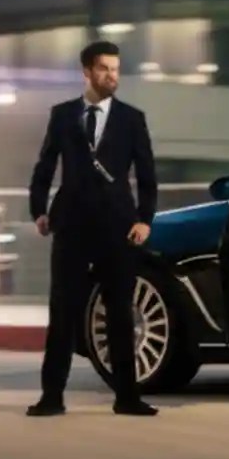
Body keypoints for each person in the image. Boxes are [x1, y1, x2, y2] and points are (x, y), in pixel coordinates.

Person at [25, 40, 159, 417]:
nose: (112, 75)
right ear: (86, 71)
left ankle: (127, 397)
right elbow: (44, 167)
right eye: (104, 68)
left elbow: (148, 176)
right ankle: (52, 396)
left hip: (118, 228)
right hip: (70, 226)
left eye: (116, 69)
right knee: (63, 312)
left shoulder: (132, 119)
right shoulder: (63, 115)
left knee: (120, 313)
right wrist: (38, 209)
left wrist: (144, 219)